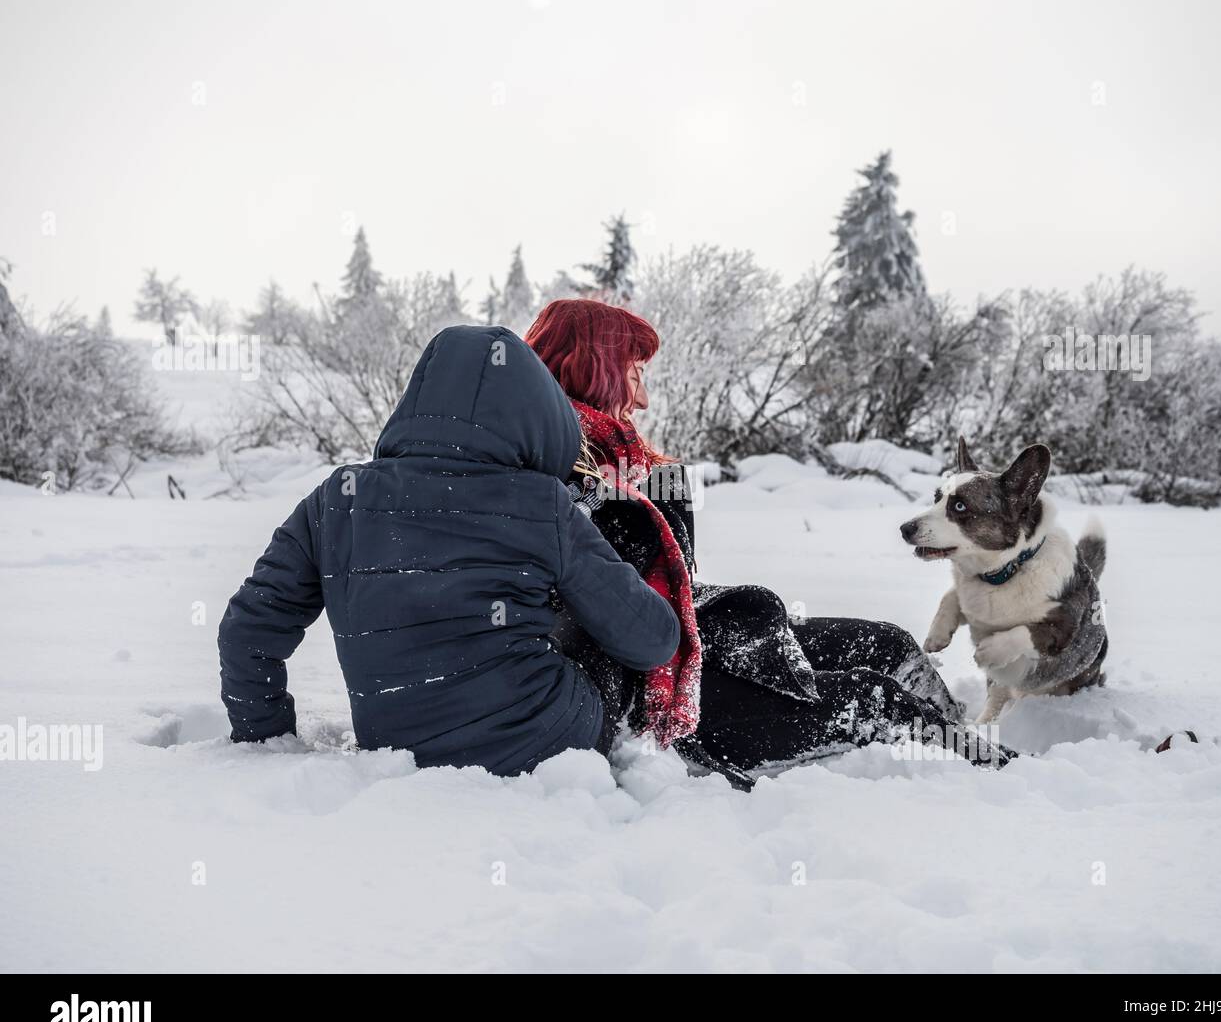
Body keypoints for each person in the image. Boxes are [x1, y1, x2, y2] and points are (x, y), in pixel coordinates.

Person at [526, 298, 1014, 789]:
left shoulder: (630, 463)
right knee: (870, 698)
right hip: (656, 700)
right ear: (595, 369)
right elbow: (620, 618)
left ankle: (972, 737)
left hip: (691, 651)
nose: (644, 399)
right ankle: (1001, 780)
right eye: (634, 375)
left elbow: (674, 589)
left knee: (887, 643)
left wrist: (663, 488)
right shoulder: (551, 475)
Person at [217, 325, 679, 775]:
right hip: (547, 739)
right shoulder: (543, 504)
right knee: (596, 631)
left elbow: (248, 630)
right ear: (538, 414)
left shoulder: (339, 497)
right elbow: (651, 640)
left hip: (395, 746)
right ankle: (638, 763)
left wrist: (266, 738)